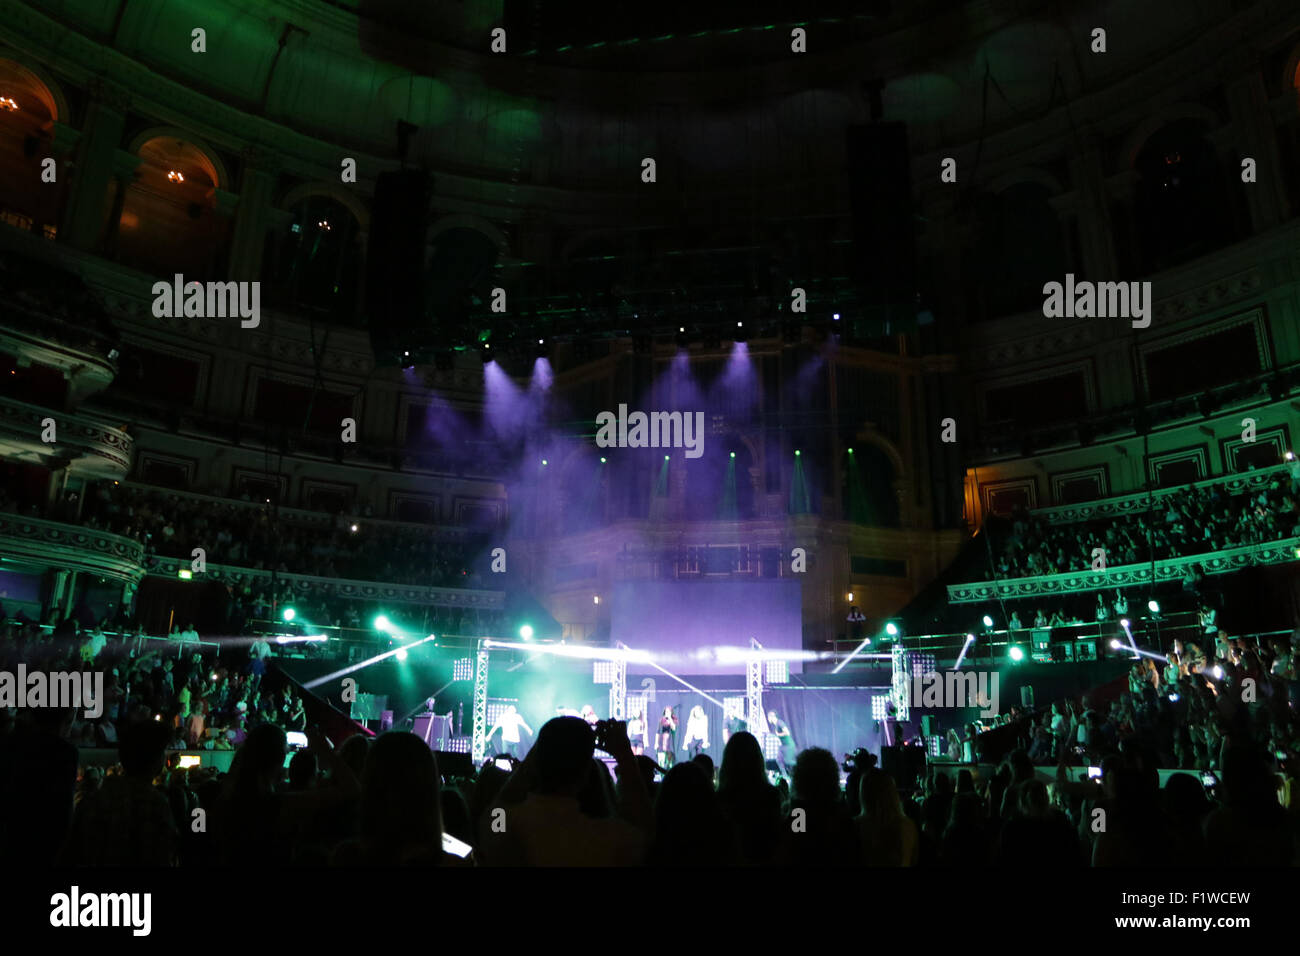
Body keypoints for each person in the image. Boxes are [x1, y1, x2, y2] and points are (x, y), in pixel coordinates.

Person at [767, 710, 796, 778]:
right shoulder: (776, 725)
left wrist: (778, 734)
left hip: (788, 745)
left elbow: (787, 732)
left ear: (772, 717)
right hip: (783, 746)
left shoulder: (779, 722)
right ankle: (785, 776)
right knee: (779, 759)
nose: (768, 719)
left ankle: (802, 766)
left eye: (768, 717)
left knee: (788, 761)